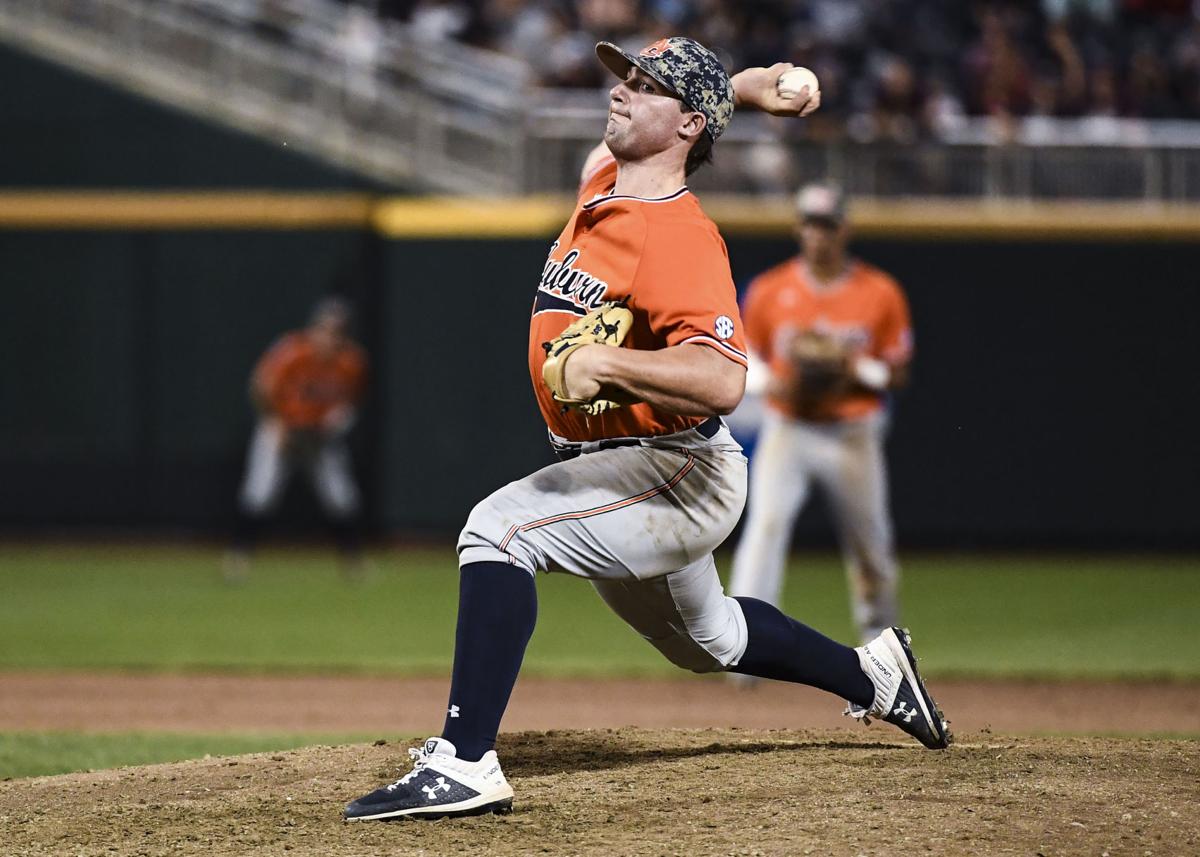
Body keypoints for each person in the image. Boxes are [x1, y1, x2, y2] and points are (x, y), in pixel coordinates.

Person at [343, 36, 949, 823]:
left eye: (645, 83)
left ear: (687, 125)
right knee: (713, 641)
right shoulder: (608, 178)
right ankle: (876, 675)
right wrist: (747, 87)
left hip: (672, 468)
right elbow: (684, 114)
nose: (622, 90)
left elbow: (723, 377)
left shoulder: (679, 235)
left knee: (496, 531)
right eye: (624, 74)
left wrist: (614, 365)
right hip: (628, 463)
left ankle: (464, 762)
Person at [729, 184, 914, 645]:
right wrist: (773, 381)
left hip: (852, 432)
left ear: (844, 230)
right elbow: (747, 356)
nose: (818, 235)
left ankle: (885, 651)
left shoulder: (880, 291)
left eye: (827, 226)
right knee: (764, 531)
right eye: (810, 225)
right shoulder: (771, 290)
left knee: (871, 546)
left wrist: (856, 368)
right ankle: (746, 645)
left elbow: (897, 373)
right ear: (798, 229)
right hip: (789, 427)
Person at [226, 296, 368, 580]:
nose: (329, 336)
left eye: (336, 331)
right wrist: (273, 421)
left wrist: (341, 417)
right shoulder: (292, 351)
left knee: (340, 496)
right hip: (283, 430)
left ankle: (353, 562)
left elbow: (351, 400)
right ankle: (238, 558)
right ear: (313, 328)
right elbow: (260, 385)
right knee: (260, 491)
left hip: (318, 437)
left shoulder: (351, 361)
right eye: (325, 329)